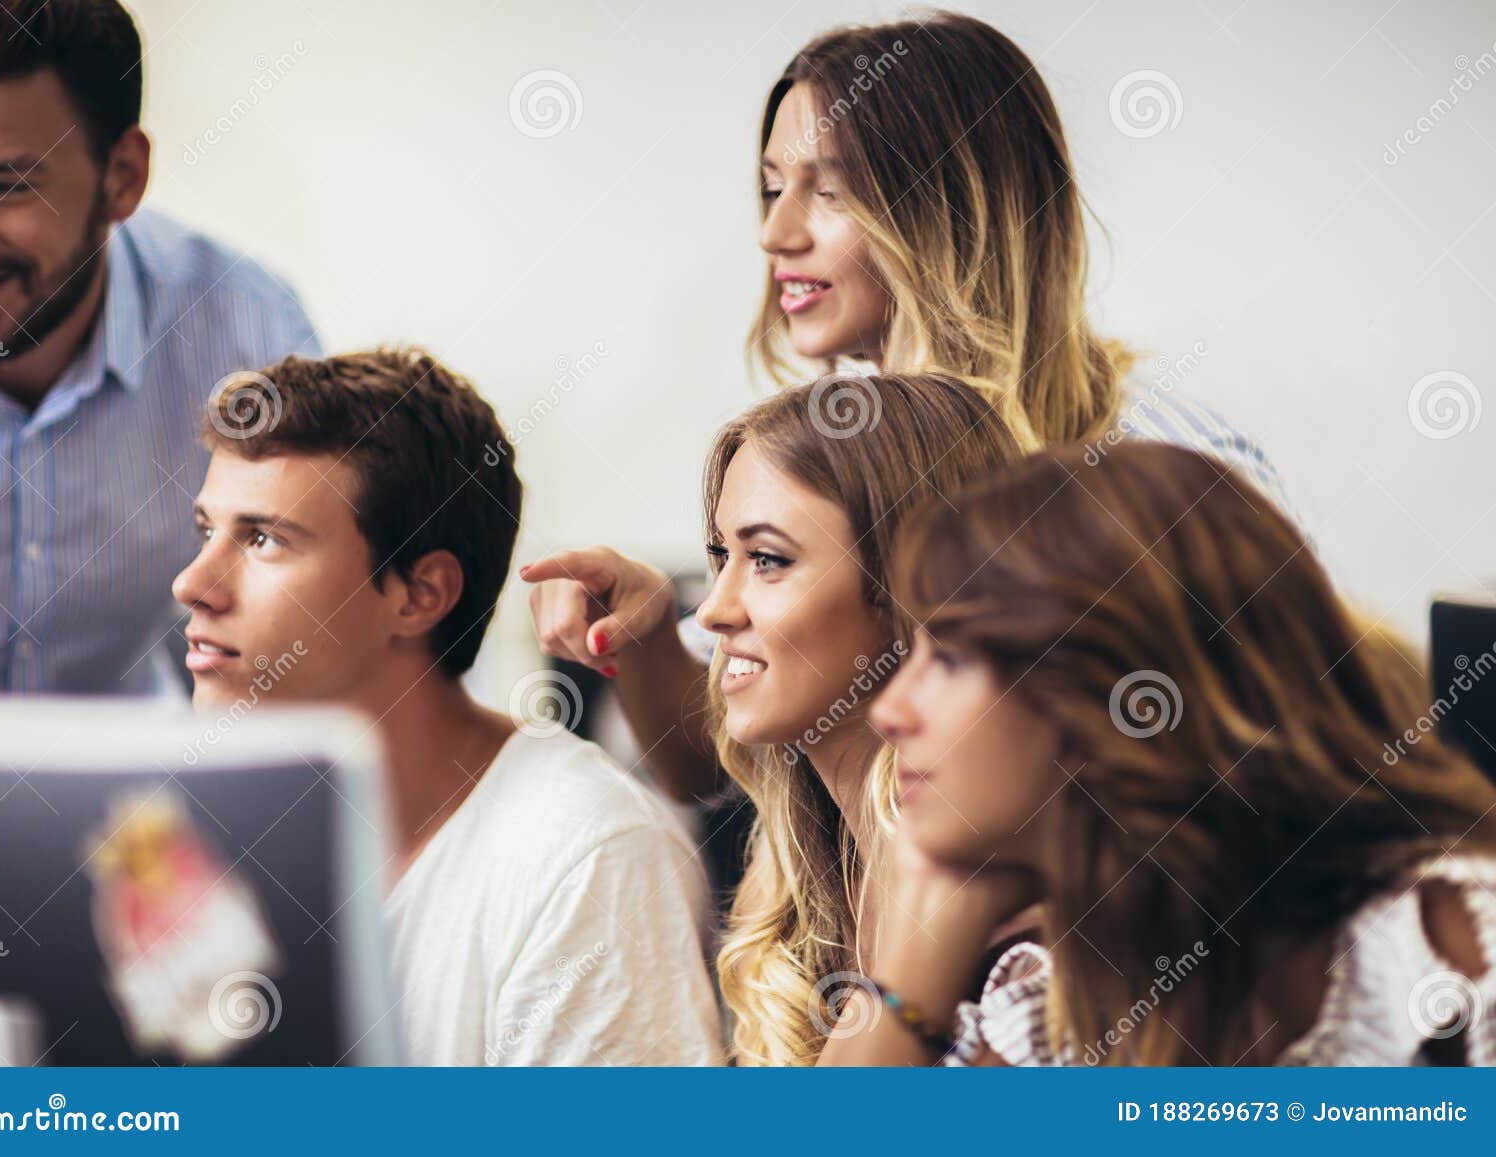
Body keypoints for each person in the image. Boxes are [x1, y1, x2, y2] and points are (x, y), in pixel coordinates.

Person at [522, 11, 1291, 815]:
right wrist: (644, 634)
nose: (775, 233)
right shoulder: (817, 471)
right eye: (772, 188)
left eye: (831, 191)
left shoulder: (1177, 468)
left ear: (958, 207)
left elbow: (1257, 791)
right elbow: (708, 769)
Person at [841, 441, 1496, 1066]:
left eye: (948, 658)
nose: (887, 711)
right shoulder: (1067, 1008)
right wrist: (917, 961)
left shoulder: (1449, 949)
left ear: (1105, 688)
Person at [171, 349, 724, 1065]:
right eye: (205, 531)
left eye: (264, 539)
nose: (193, 582)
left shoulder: (584, 857)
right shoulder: (198, 829)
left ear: (420, 594)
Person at [0, 0, 319, 695]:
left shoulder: (248, 329)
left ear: (122, 177)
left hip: (152, 793)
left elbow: (328, 631)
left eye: (4, 186)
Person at [671, 370, 1022, 1064]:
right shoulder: (808, 874)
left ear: (914, 590)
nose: (713, 609)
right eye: (721, 557)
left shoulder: (1012, 909)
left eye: (768, 559)